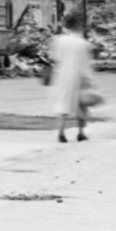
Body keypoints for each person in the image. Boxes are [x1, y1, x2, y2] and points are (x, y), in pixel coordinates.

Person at [47, 13, 93, 144]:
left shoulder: (59, 40)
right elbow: (85, 62)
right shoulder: (82, 43)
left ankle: (61, 132)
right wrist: (89, 79)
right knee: (81, 105)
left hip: (62, 75)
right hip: (78, 75)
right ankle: (81, 133)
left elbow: (55, 58)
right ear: (78, 26)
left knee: (62, 104)